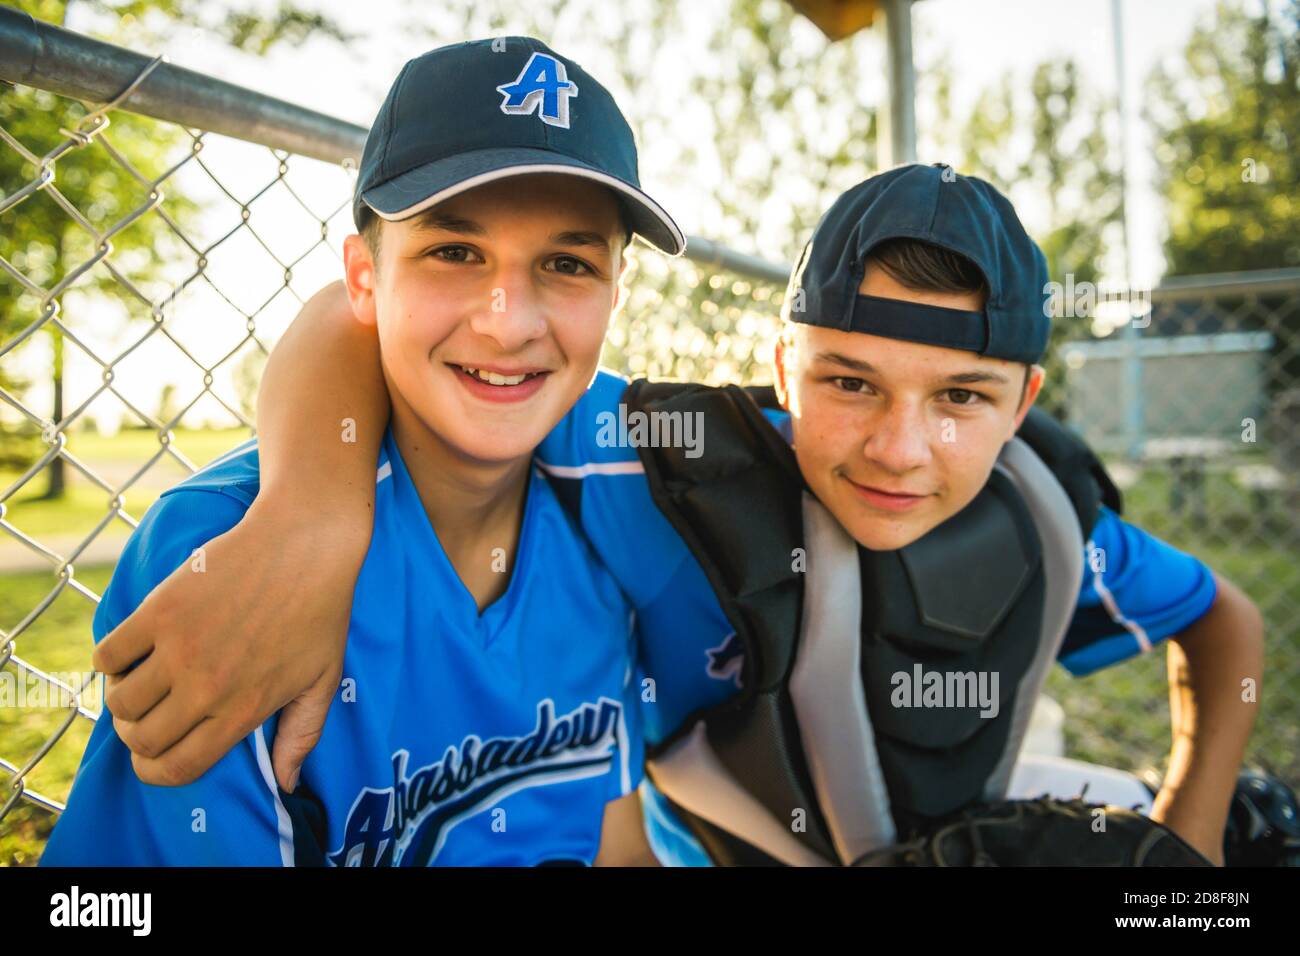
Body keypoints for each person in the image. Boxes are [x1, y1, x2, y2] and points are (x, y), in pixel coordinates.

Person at [88, 167, 1264, 867]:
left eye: (961, 397)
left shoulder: (1041, 520)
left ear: (1023, 407)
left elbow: (1226, 625)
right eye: (848, 381)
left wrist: (1195, 821)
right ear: (780, 372)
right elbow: (384, 325)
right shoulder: (681, 489)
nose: (902, 448)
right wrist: (311, 506)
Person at [40, 36, 687, 866]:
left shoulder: (614, 493)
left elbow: (616, 841)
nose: (509, 320)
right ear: (363, 279)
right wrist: (313, 520)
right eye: (455, 253)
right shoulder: (223, 552)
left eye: (567, 263)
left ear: (613, 297)